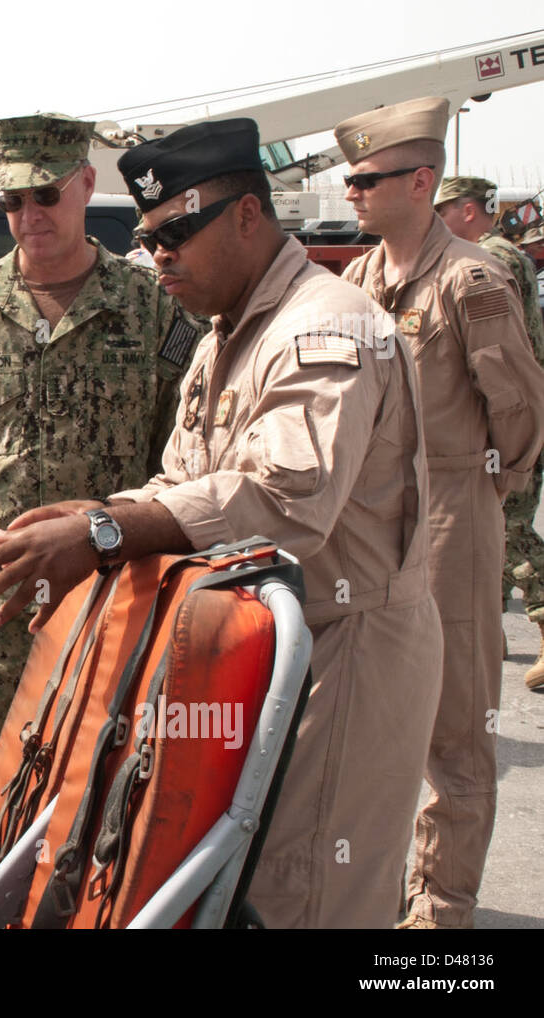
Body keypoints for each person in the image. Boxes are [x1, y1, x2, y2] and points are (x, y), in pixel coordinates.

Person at [0, 117, 442, 929]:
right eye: (150, 238)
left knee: (306, 894)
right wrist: (98, 518)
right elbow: (184, 482)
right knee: (235, 887)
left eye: (178, 230)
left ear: (248, 214)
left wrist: (108, 532)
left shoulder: (324, 327)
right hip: (255, 649)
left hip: (345, 650)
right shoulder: (230, 332)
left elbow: (288, 497)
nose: (159, 256)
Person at [0, 113, 199, 779]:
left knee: (113, 785)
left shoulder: (154, 311)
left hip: (117, 593)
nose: (29, 215)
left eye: (46, 194)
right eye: (12, 201)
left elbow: (190, 460)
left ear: (85, 183)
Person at [335, 97, 544, 928]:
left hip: (453, 511)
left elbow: (521, 410)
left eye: (365, 178)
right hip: (371, 517)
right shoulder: (357, 281)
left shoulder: (473, 279)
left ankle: (441, 907)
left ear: (419, 182)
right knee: (376, 721)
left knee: (456, 726)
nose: (351, 191)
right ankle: (380, 885)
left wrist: (483, 489)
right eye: (347, 178)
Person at [435, 176, 544, 687]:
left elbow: (495, 359)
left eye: (445, 209)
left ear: (469, 211)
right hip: (514, 410)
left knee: (513, 528)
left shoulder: (487, 258)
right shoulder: (507, 253)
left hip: (509, 417)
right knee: (498, 530)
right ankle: (491, 632)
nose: (438, 220)